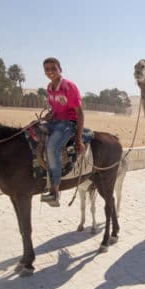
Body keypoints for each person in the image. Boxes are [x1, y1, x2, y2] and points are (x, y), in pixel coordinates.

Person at [40, 57, 85, 207]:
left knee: (53, 148)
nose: (50, 72)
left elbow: (80, 113)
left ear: (60, 69)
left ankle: (55, 190)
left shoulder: (69, 87)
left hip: (68, 124)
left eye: (53, 68)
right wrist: (50, 115)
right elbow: (55, 108)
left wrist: (78, 139)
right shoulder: (49, 88)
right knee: (31, 132)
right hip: (55, 122)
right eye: (47, 69)